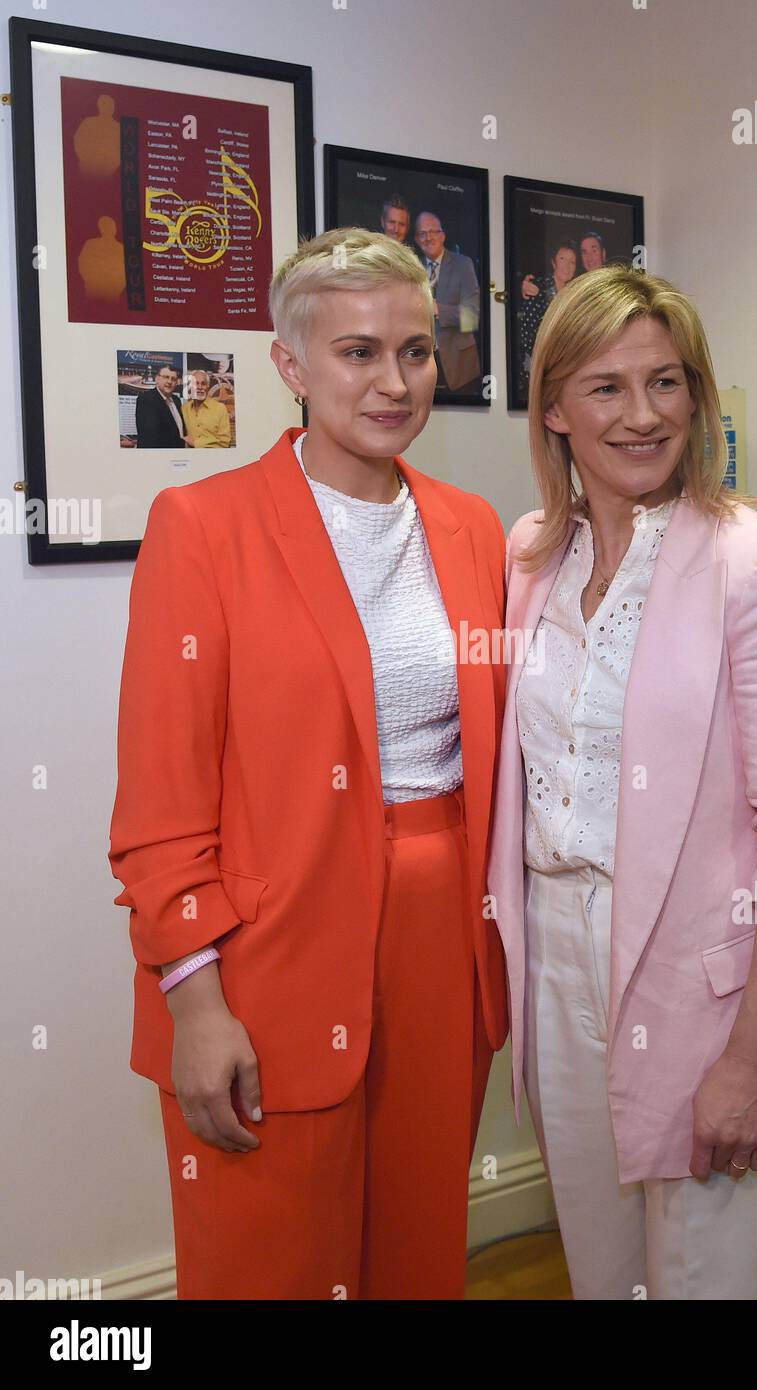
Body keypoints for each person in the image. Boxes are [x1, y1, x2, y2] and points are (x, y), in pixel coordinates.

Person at [108, 226, 509, 1300]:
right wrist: (195, 1000)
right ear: (290, 365)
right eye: (359, 353)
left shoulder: (472, 529)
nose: (394, 381)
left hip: (439, 944)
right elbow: (159, 798)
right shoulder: (202, 526)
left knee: (418, 1251)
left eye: (416, 352)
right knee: (268, 1264)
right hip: (265, 956)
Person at [487, 264, 757, 1300]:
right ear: (554, 408)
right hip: (558, 959)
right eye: (605, 387)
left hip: (702, 982)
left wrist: (752, 1058)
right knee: (600, 1276)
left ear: (696, 394)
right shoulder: (530, 559)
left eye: (666, 382)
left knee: (698, 1281)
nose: (642, 414)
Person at [413, 212, 481, 392]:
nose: (428, 238)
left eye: (434, 232)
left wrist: (438, 310)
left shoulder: (463, 265)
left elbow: (472, 317)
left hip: (459, 367)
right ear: (417, 239)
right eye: (423, 233)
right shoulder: (411, 269)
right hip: (421, 365)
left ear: (443, 235)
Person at [517, 241, 578, 390]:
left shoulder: (577, 294)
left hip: (569, 368)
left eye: (572, 262)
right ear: (553, 262)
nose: (567, 265)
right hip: (540, 367)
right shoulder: (537, 287)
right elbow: (528, 335)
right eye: (562, 259)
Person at [135, 365, 189, 448]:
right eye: (166, 377)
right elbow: (151, 436)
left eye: (173, 379)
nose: (169, 381)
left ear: (176, 382)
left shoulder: (176, 400)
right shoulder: (146, 399)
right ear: (157, 379)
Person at [181, 369, 232, 448]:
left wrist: (197, 443)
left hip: (213, 458)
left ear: (208, 387)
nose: (200, 387)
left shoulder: (220, 409)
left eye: (203, 384)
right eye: (196, 383)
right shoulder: (184, 409)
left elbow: (224, 441)